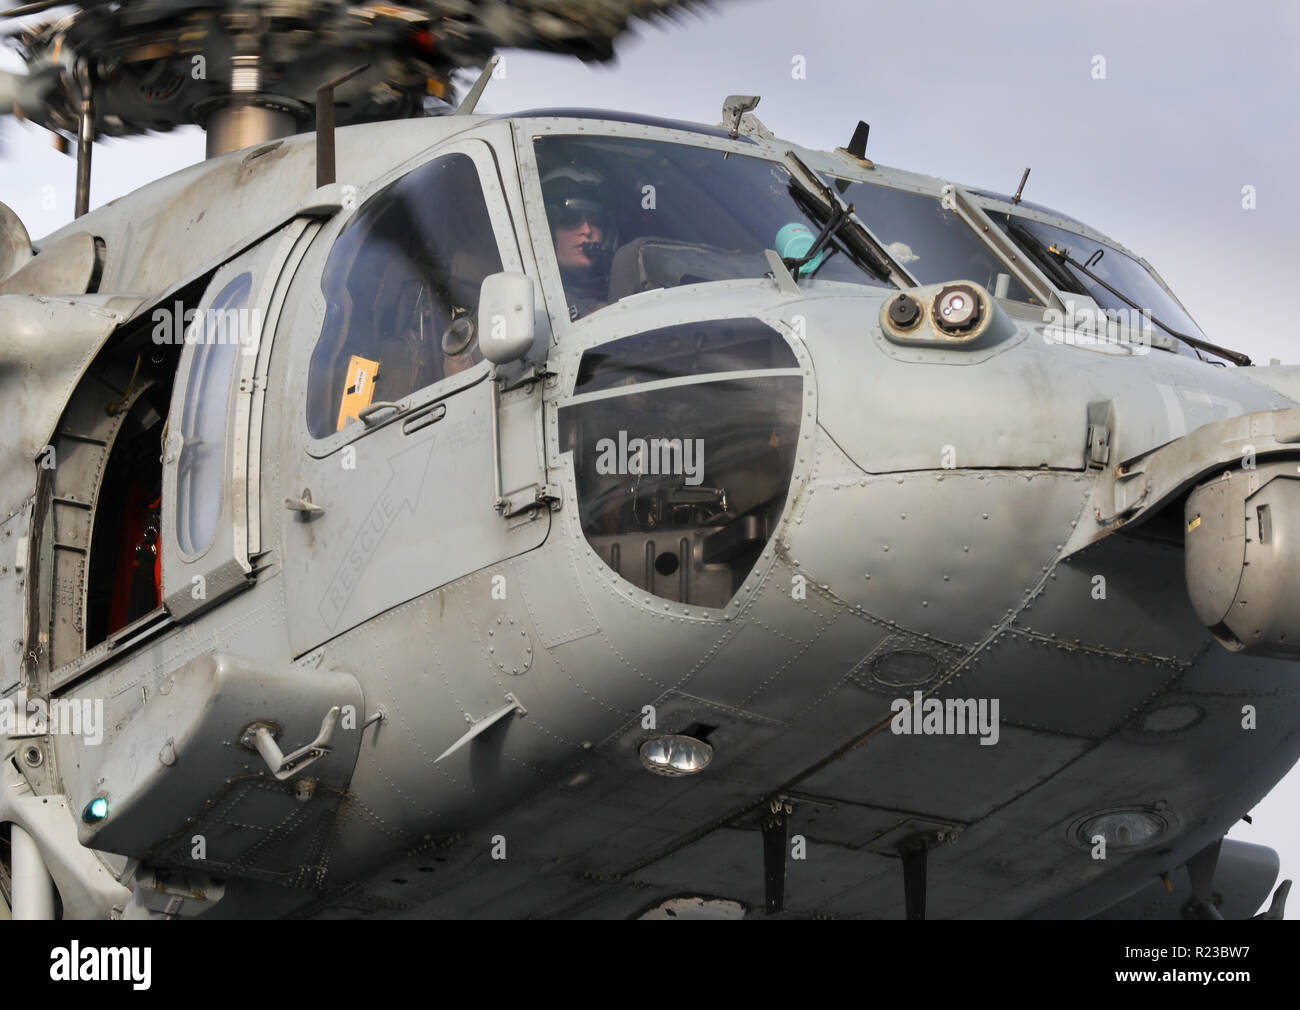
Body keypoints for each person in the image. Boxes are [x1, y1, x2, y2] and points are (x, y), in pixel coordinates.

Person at [541, 163, 617, 320]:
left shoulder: (625, 294)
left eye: (596, 222)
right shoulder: (534, 305)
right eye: (571, 219)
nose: (587, 230)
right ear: (548, 229)